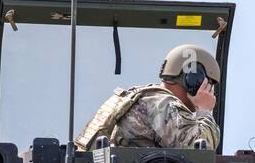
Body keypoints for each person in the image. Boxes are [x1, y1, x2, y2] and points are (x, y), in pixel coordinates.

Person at [74, 44, 221, 151]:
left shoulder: (146, 97)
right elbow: (200, 153)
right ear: (193, 80)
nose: (210, 92)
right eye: (209, 84)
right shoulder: (163, 104)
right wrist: (204, 111)